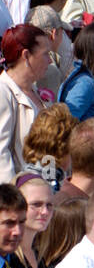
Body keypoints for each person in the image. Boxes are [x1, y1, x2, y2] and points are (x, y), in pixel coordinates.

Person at [0, 24, 50, 182]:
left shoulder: (33, 89)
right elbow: (1, 154)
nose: (50, 61)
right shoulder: (3, 92)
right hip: (23, 196)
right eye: (45, 54)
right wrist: (13, 201)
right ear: (26, 55)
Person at [11, 174, 52, 268]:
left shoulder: (40, 256)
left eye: (49, 205)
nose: (45, 211)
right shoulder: (7, 258)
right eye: (36, 204)